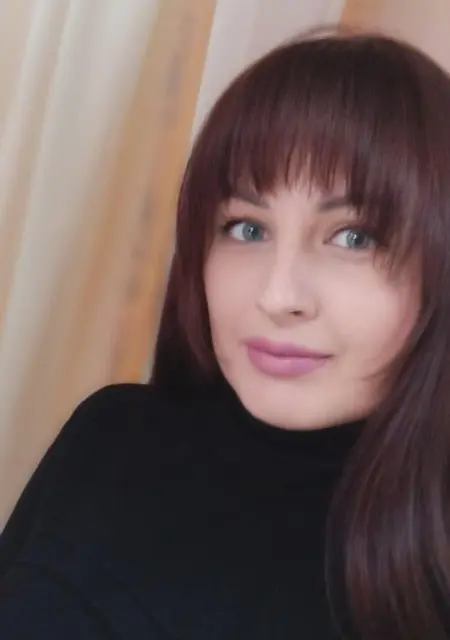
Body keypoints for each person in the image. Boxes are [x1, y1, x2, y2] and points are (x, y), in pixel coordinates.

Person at [1, 27, 450, 640]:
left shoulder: (430, 560)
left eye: (354, 237)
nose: (277, 296)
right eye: (246, 228)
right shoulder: (111, 436)